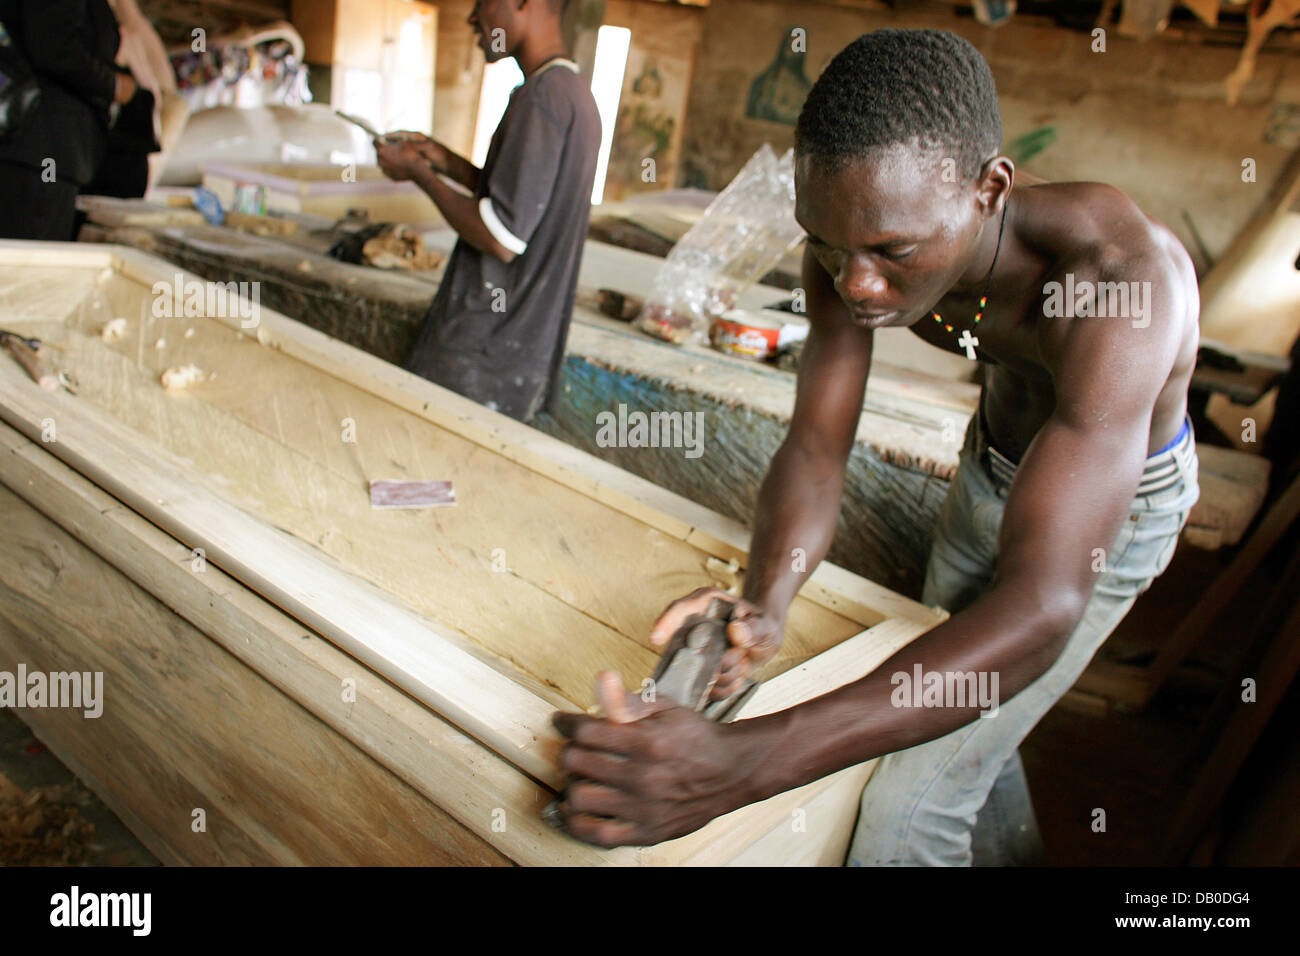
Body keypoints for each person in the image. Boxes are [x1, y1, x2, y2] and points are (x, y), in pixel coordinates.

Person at [552, 28, 1201, 866]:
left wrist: (744, 766)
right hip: (990, 466)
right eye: (827, 246)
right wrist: (764, 604)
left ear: (990, 190)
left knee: (904, 809)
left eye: (894, 253)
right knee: (958, 708)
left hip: (1113, 513)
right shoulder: (851, 234)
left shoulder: (1118, 285)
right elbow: (817, 450)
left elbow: (1041, 607)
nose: (855, 282)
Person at [374, 0, 600, 422]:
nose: (472, 18)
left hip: (484, 354)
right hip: (513, 356)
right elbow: (521, 200)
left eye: (482, 2)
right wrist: (445, 161)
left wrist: (419, 174)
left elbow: (501, 237)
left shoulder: (542, 99)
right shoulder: (571, 93)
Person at [0, 0, 134, 240]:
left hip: (45, 150)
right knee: (30, 253)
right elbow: (54, 46)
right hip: (39, 148)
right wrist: (113, 85)